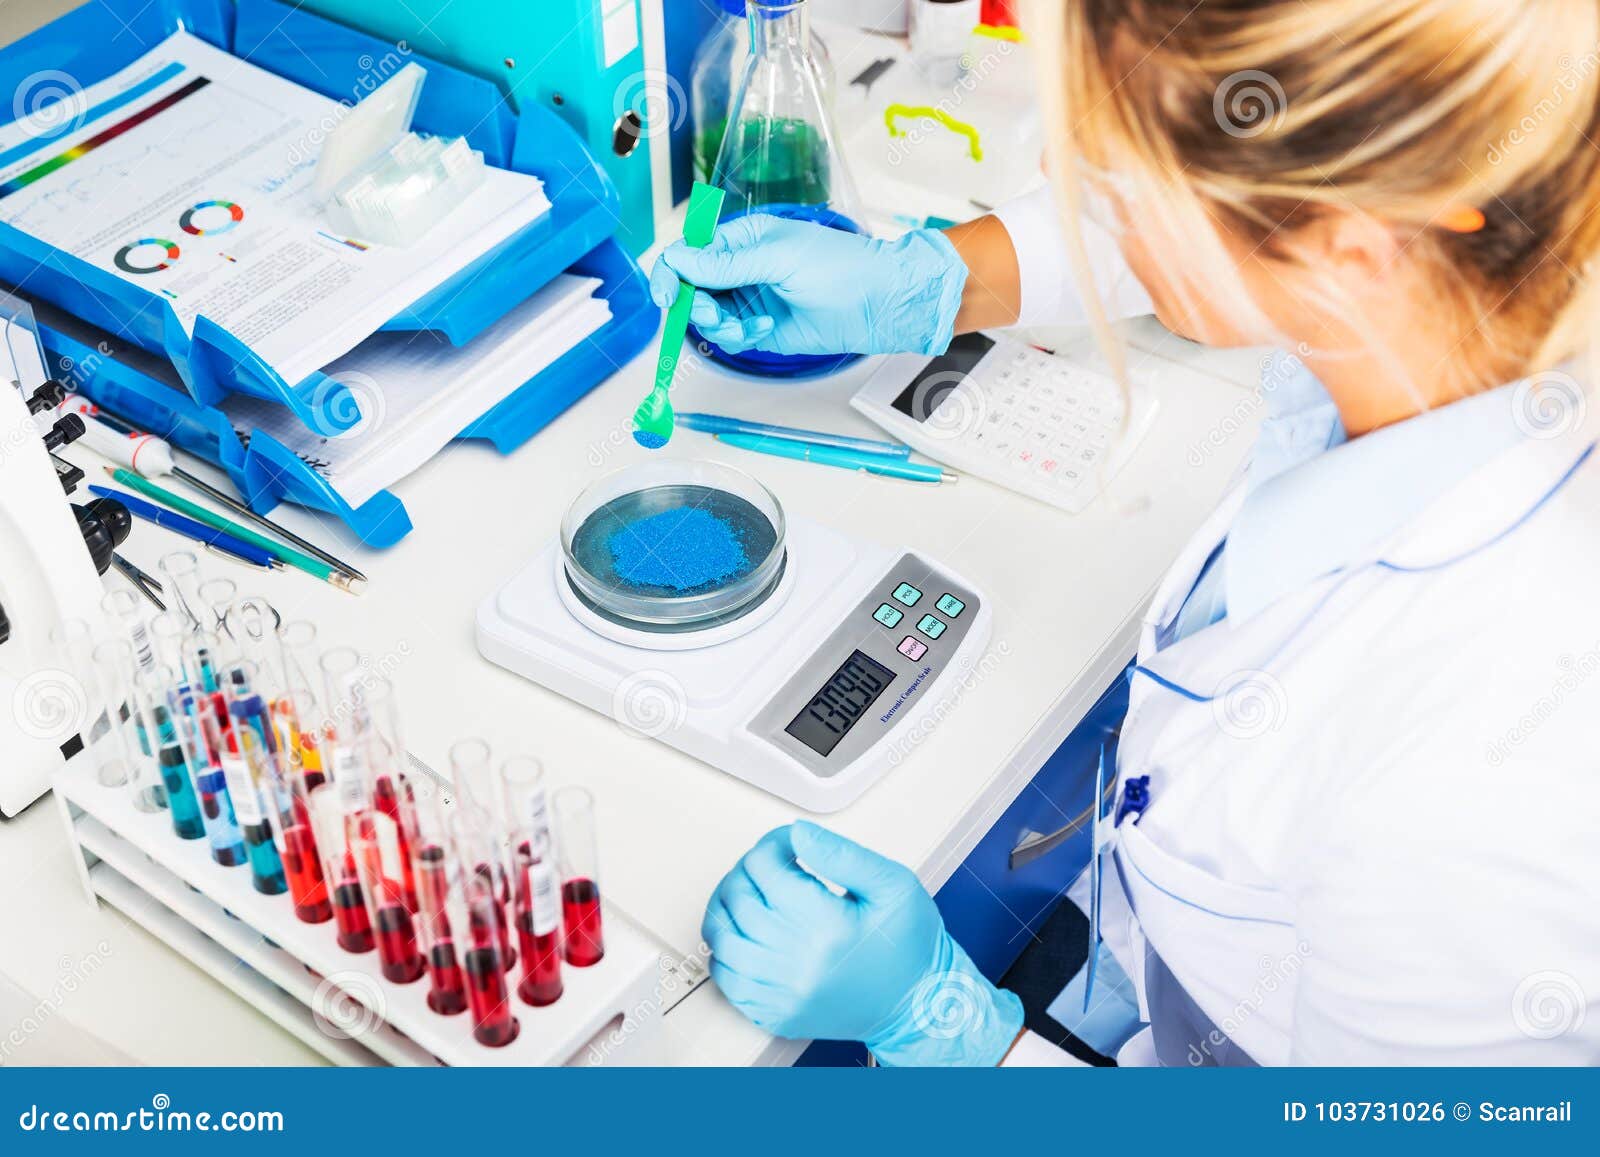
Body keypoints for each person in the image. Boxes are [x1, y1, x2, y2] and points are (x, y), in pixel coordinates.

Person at [655, 0, 1600, 1065]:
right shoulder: (1466, 272)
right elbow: (1221, 194)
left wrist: (952, 1036)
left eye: (1118, 172)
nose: (1089, 203)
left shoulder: (1481, 801)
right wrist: (927, 280)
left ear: (1348, 249)